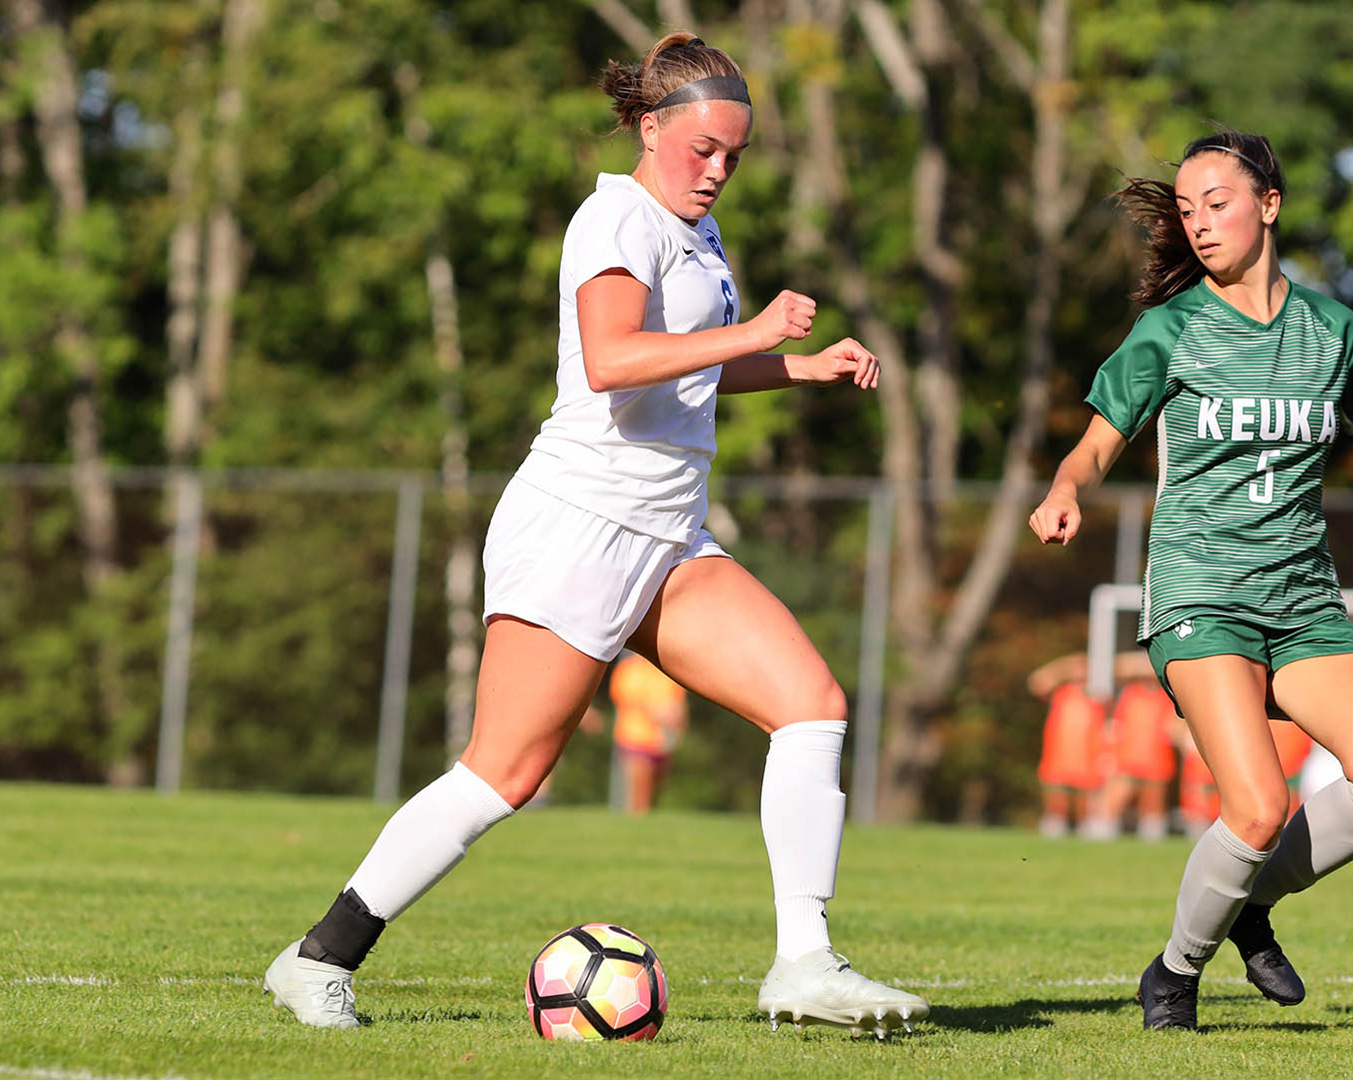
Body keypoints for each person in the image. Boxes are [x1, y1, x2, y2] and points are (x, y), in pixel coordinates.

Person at [264, 33, 925, 1037]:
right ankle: (319, 958)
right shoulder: (615, 215)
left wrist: (801, 367)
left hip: (668, 536)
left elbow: (689, 364)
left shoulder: (696, 234)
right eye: (703, 149)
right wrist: (757, 335)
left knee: (812, 706)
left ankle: (803, 963)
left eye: (734, 157)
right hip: (580, 526)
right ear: (652, 129)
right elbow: (615, 359)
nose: (718, 171)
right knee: (504, 774)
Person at [1029, 130, 1353, 1031]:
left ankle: (1248, 903)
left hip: (1301, 601)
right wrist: (1065, 488)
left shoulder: (1334, 331)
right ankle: (1174, 974)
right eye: (1186, 208)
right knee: (1256, 806)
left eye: (1217, 202)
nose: (1200, 222)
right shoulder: (1170, 329)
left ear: (1270, 203)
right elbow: (1098, 441)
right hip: (1200, 594)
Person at [1028, 653, 1112, 838]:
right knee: (1056, 805)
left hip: (1086, 760)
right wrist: (1064, 666)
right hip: (1058, 758)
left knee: (1083, 808)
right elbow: (1037, 682)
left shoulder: (1098, 698)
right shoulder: (1061, 693)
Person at [609, 652, 690, 813]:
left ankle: (643, 833)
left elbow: (679, 705)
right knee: (639, 799)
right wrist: (656, 712)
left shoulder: (668, 671)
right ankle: (632, 833)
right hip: (634, 739)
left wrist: (678, 728)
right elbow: (626, 699)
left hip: (662, 742)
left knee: (653, 798)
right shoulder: (629, 669)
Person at [1106, 672, 1179, 841]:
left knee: (1153, 800)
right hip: (1128, 757)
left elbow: (1174, 727)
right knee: (1118, 796)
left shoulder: (1167, 696)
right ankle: (1104, 830)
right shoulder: (1130, 693)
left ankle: (1152, 834)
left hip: (1157, 756)